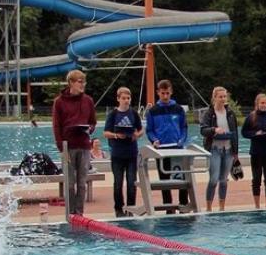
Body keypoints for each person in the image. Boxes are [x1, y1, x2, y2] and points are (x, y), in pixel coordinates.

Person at [51, 70, 97, 216]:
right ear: (71, 82)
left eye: (84, 82)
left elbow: (93, 122)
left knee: (82, 183)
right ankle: (70, 213)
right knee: (70, 183)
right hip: (68, 146)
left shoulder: (88, 101)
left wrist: (89, 129)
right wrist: (60, 146)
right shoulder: (59, 102)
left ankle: (80, 213)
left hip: (83, 144)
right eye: (79, 82)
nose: (82, 85)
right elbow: (56, 125)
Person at [145, 80, 189, 213]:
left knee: (182, 178)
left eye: (167, 93)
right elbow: (150, 130)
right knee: (164, 179)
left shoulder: (178, 109)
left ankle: (183, 204)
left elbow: (184, 127)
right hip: (161, 150)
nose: (165, 96)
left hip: (177, 148)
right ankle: (168, 206)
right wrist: (154, 140)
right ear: (158, 92)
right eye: (163, 93)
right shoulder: (153, 111)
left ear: (171, 92)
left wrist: (182, 139)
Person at [103, 86, 144, 218]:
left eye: (128, 98)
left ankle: (130, 208)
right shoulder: (113, 115)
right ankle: (118, 208)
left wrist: (137, 135)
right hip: (117, 153)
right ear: (118, 99)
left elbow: (141, 129)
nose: (126, 101)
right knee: (118, 182)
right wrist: (116, 135)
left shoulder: (133, 114)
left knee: (132, 182)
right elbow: (106, 133)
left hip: (131, 152)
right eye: (123, 98)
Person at [200, 86, 240, 212]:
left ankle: (222, 207)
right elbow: (203, 130)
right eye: (220, 97)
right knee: (213, 179)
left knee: (224, 180)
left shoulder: (230, 113)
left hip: (228, 149)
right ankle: (209, 207)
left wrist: (236, 152)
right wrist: (214, 130)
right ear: (214, 98)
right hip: (214, 148)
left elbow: (235, 133)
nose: (223, 99)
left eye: (224, 96)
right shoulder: (209, 113)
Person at [241, 93, 266, 209]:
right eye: (262, 103)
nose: (264, 105)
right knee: (256, 179)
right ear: (257, 104)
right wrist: (255, 134)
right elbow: (244, 132)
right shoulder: (251, 117)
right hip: (256, 152)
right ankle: (257, 205)